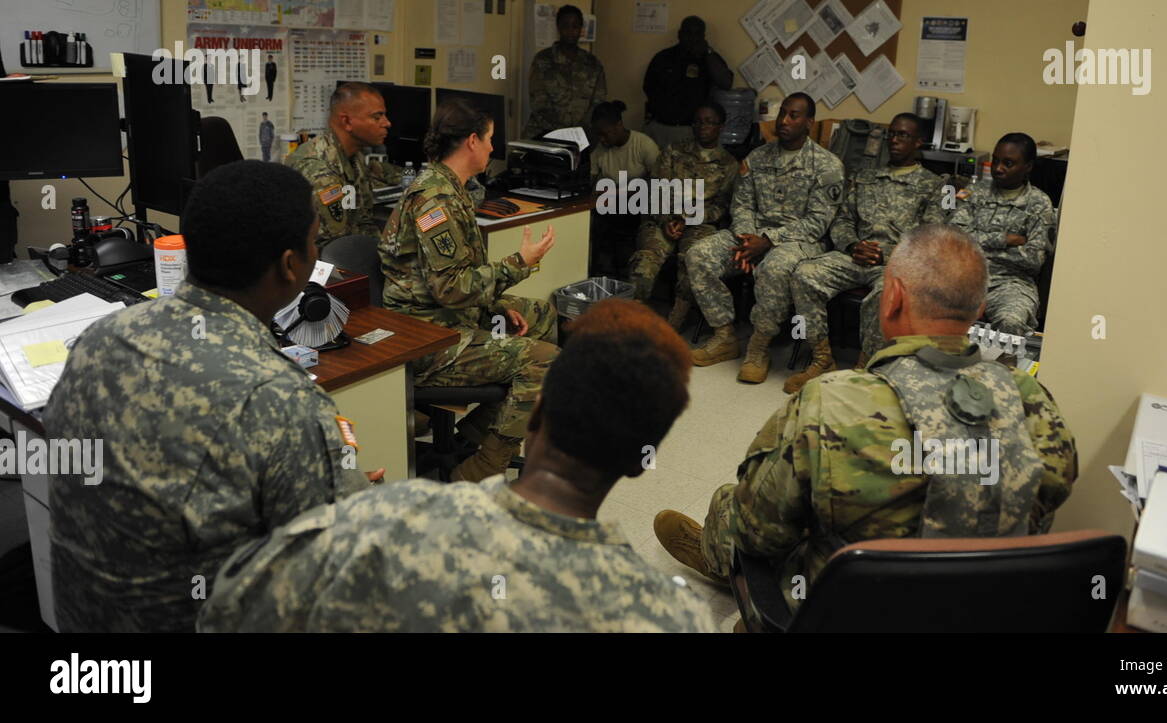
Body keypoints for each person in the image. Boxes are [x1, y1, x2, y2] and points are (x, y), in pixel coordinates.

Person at [197, 300, 715, 633]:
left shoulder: (388, 516)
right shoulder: (669, 617)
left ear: (535, 413)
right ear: (638, 461)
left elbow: (228, 609)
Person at [654, 224, 1077, 601]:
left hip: (847, 609)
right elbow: (1042, 505)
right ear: (980, 308)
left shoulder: (828, 401)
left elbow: (757, 532)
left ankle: (723, 567)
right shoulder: (1032, 399)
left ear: (890, 299)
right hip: (976, 606)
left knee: (731, 504)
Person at [43, 162, 370, 633]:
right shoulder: (279, 399)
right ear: (290, 264)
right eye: (313, 241)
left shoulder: (100, 338)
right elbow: (335, 572)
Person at [380, 98, 558, 482]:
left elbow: (455, 277)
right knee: (544, 359)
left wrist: (493, 302)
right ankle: (482, 468)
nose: (494, 148)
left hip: (443, 314)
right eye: (491, 139)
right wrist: (520, 262)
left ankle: (475, 438)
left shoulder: (453, 187)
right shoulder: (435, 199)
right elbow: (451, 287)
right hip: (425, 338)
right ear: (472, 141)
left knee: (540, 314)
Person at [685, 92, 843, 383]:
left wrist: (768, 241)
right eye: (782, 113)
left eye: (793, 115)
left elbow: (818, 223)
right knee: (699, 254)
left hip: (800, 242)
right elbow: (742, 204)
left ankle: (759, 347)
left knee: (775, 267)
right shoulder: (757, 158)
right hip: (751, 235)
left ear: (809, 122)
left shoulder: (827, 166)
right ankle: (724, 336)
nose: (784, 121)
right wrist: (748, 240)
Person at [785, 112, 947, 393]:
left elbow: (931, 240)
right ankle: (822, 358)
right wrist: (852, 246)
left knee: (886, 293)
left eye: (904, 135)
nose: (895, 140)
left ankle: (864, 369)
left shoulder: (932, 186)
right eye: (892, 134)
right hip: (855, 255)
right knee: (804, 274)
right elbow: (843, 220)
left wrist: (890, 256)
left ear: (918, 142)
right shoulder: (865, 176)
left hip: (896, 264)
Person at [627, 100, 739, 327]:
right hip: (662, 218)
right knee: (645, 260)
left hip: (701, 223)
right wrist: (668, 219)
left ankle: (675, 322)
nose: (702, 127)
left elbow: (722, 207)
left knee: (692, 261)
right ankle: (634, 318)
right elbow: (657, 190)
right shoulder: (674, 151)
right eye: (698, 122)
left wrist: (689, 218)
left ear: (721, 126)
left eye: (710, 122)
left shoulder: (728, 164)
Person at [951, 133, 1055, 335]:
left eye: (1008, 163)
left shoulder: (1040, 204)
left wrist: (977, 245)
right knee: (928, 310)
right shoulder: (973, 192)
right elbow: (954, 238)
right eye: (996, 161)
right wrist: (1003, 240)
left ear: (1028, 167)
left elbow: (1033, 259)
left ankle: (1005, 367)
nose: (998, 168)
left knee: (1011, 322)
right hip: (964, 278)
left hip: (1011, 284)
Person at [285, 81, 403, 249]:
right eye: (377, 117)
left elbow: (363, 221)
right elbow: (333, 246)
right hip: (317, 265)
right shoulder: (322, 173)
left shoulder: (354, 156)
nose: (387, 123)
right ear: (347, 122)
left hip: (349, 252)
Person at [589, 100, 660, 278]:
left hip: (636, 204)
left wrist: (618, 193)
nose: (602, 139)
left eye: (605, 134)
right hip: (608, 205)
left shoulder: (644, 145)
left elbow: (657, 182)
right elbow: (592, 178)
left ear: (619, 125)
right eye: (599, 135)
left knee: (623, 230)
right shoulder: (601, 149)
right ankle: (602, 276)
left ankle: (623, 278)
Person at [642, 16, 734, 149]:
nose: (692, 38)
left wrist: (707, 52)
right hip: (660, 128)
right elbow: (647, 87)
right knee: (655, 168)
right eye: (688, 33)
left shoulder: (709, 59)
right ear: (680, 34)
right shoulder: (663, 57)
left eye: (697, 34)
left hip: (691, 130)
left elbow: (726, 83)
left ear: (703, 36)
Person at [523, 4, 607, 139]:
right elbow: (538, 102)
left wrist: (579, 131)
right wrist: (562, 132)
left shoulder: (593, 64)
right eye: (565, 26)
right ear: (558, 28)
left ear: (581, 29)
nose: (570, 31)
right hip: (545, 133)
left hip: (581, 136)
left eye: (575, 26)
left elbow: (598, 102)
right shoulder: (543, 60)